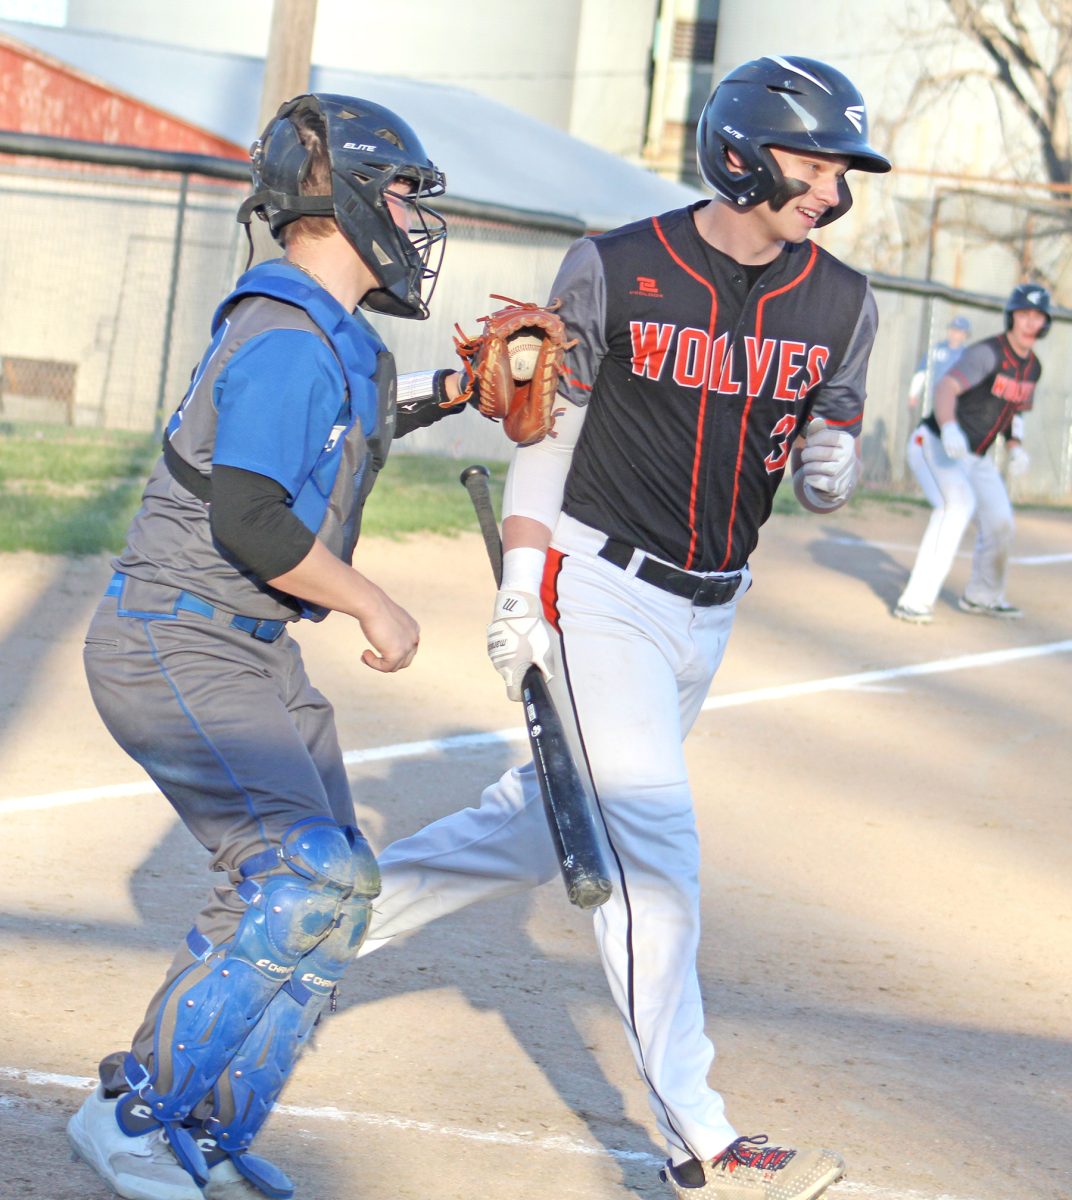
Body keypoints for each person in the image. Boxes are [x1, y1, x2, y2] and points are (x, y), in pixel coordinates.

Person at [357, 56, 890, 1200]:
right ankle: (701, 1142)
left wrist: (836, 467)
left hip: (712, 606)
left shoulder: (842, 302)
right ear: (743, 151)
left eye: (840, 169)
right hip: (601, 587)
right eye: (812, 162)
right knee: (651, 847)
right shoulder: (616, 268)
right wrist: (522, 587)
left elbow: (830, 444)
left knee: (543, 823)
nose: (830, 190)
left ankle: (311, 931)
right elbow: (547, 432)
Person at [67, 93, 472, 1200]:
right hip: (177, 640)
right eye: (398, 192)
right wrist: (373, 602)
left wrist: (459, 392)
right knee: (306, 875)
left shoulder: (318, 332)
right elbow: (249, 520)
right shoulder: (287, 333)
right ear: (335, 199)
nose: (410, 217)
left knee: (335, 888)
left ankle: (201, 1127)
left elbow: (344, 433)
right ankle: (131, 1115)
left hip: (241, 650)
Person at [892, 283, 1048, 624]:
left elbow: (1014, 408)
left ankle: (983, 596)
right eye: (1023, 314)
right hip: (934, 441)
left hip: (974, 455)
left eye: (1037, 316)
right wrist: (948, 426)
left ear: (1044, 323)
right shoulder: (988, 353)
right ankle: (914, 600)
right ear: (1012, 317)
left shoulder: (1032, 367)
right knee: (957, 505)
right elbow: (946, 387)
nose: (1029, 322)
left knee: (1000, 521)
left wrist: (1015, 446)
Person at [906, 314, 971, 413]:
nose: (953, 333)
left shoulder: (967, 355)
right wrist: (913, 393)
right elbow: (922, 371)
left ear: (964, 335)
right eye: (952, 329)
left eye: (957, 331)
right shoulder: (936, 349)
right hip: (933, 400)